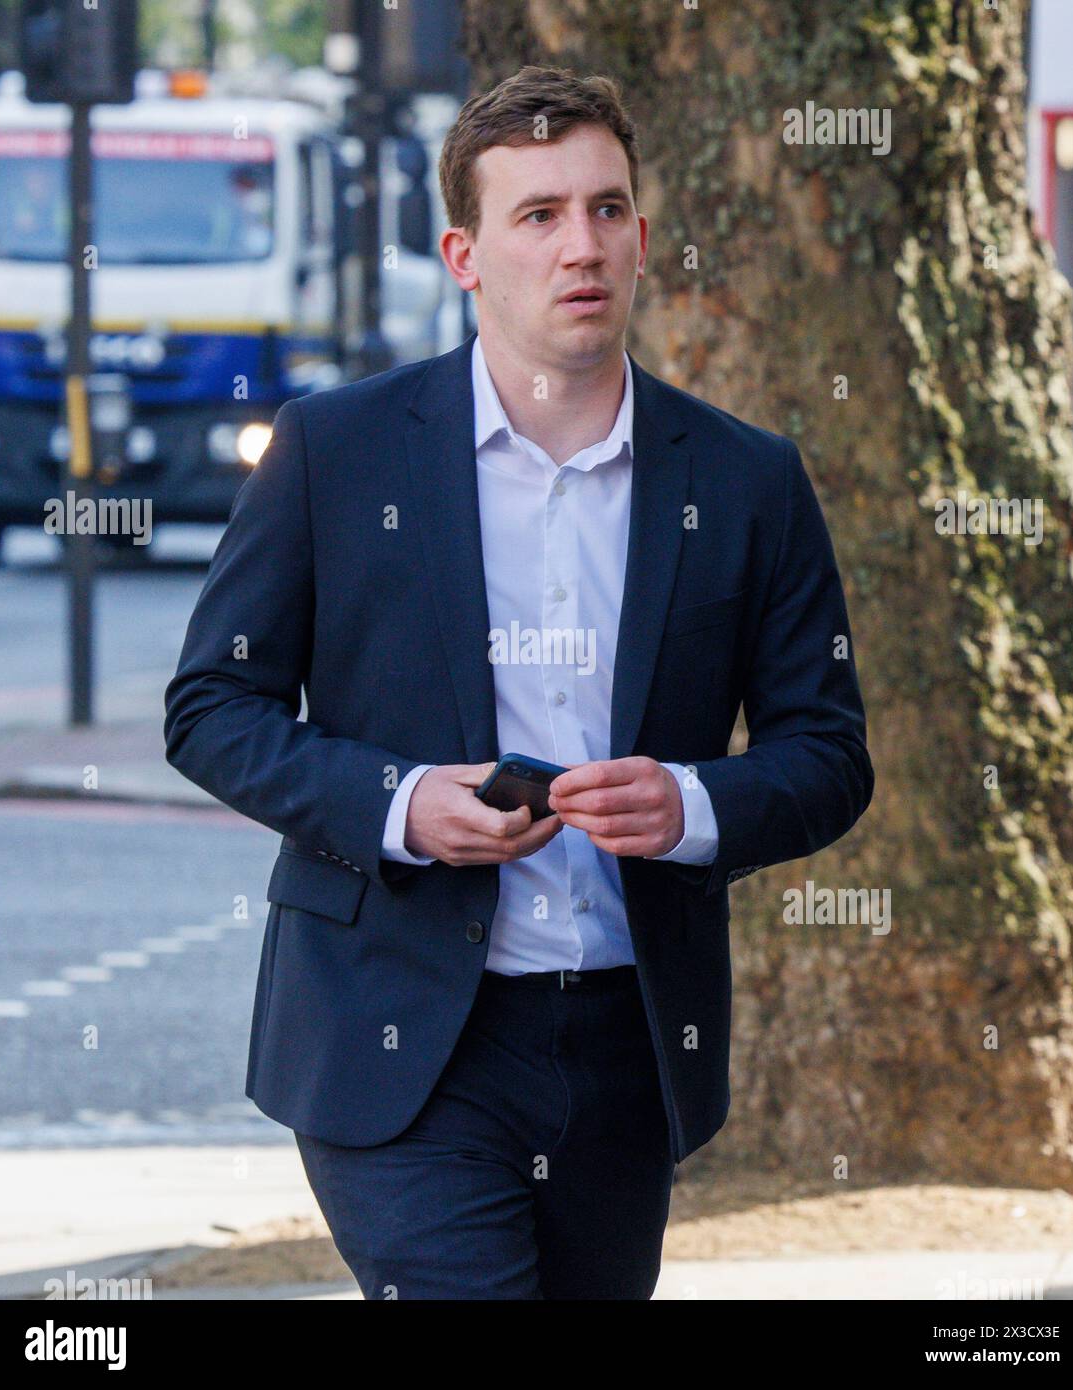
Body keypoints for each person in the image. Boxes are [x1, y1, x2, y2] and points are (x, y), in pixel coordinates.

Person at [163, 64, 875, 1300]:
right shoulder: (334, 450)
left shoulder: (750, 480)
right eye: (537, 215)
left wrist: (691, 807)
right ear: (463, 252)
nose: (579, 245)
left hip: (624, 1041)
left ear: (644, 239)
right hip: (396, 1039)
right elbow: (211, 708)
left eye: (605, 210)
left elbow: (828, 752)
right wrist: (400, 803)